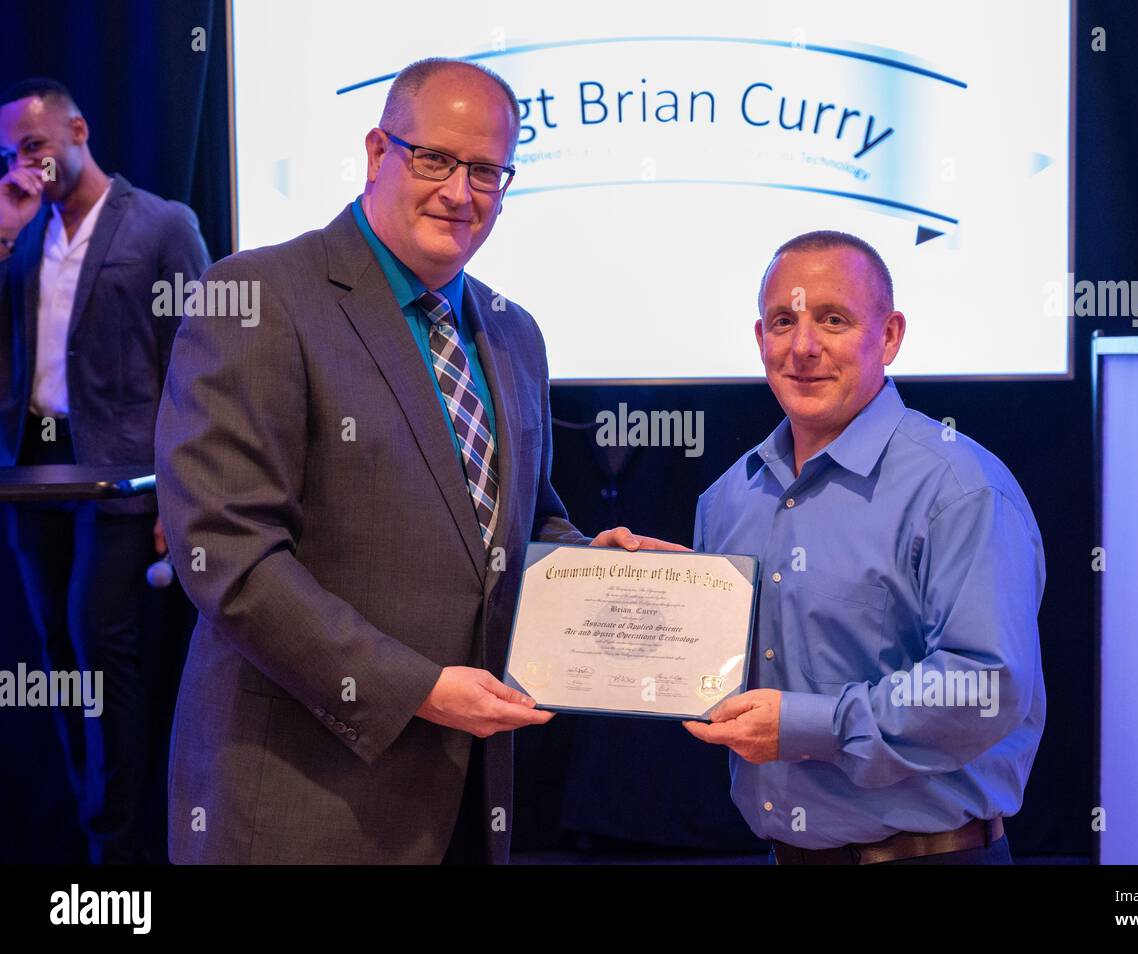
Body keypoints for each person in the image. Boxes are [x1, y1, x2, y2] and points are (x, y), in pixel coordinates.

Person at [155, 58, 683, 865]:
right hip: (300, 804)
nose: (459, 193)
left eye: (486, 171)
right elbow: (230, 558)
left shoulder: (514, 333)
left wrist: (587, 573)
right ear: (376, 152)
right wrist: (417, 691)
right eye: (433, 159)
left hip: (470, 806)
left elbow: (521, 523)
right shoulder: (258, 297)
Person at [685, 231, 1046, 865]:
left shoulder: (958, 487)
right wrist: (650, 591)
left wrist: (809, 726)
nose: (803, 347)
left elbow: (983, 685)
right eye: (783, 321)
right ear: (759, 339)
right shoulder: (727, 499)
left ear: (889, 336)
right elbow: (712, 674)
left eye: (833, 319)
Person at [0, 77, 211, 863]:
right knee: (56, 654)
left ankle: (119, 845)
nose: (23, 164)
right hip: (32, 470)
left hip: (124, 477)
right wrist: (4, 227)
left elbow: (199, 360)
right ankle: (92, 823)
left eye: (34, 147)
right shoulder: (21, 232)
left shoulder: (161, 224)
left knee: (102, 649)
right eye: (9, 154)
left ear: (78, 132)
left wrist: (179, 483)